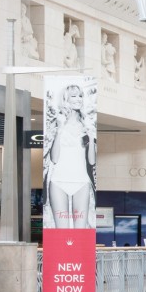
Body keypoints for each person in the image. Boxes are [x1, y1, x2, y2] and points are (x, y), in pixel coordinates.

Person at [42, 82, 97, 229]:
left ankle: (79, 253)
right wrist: (59, 131)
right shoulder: (57, 122)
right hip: (58, 181)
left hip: (81, 181)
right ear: (66, 98)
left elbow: (92, 161)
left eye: (80, 96)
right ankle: (61, 253)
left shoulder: (86, 124)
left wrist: (91, 139)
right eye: (74, 96)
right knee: (61, 232)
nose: (78, 99)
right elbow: (54, 158)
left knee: (81, 232)